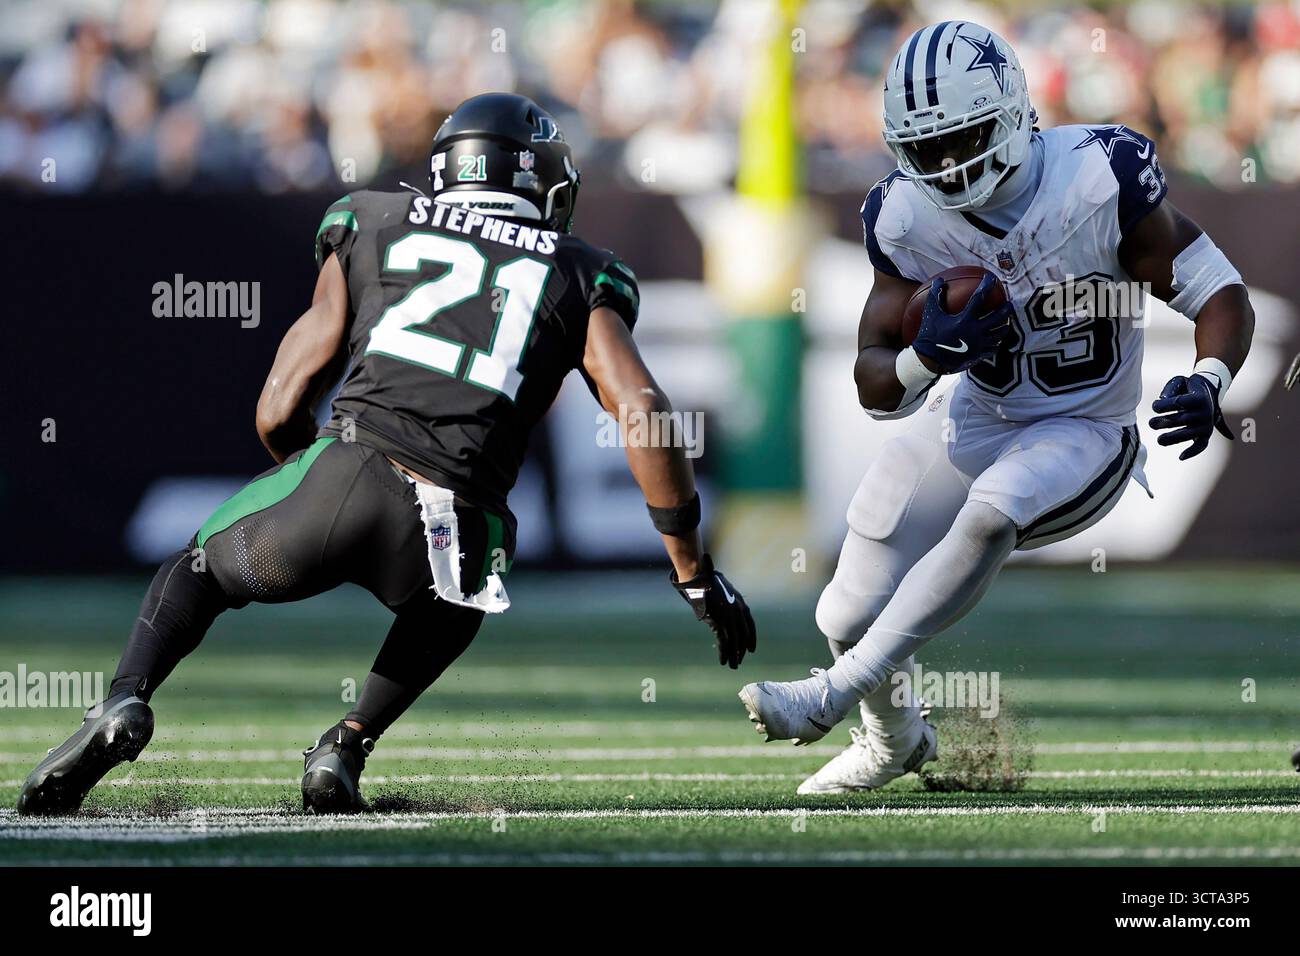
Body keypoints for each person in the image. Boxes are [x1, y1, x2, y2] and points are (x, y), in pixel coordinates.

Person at [20, 93, 755, 816]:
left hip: (345, 472)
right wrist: (693, 574)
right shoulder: (577, 269)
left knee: (200, 569)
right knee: (471, 582)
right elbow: (643, 409)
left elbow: (281, 401)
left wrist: (309, 485)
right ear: (534, 181)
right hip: (454, 524)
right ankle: (348, 741)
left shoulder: (372, 220)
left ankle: (125, 700)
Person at [739, 22, 1253, 794]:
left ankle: (829, 696)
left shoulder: (1099, 177)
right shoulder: (906, 218)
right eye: (929, 147)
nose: (946, 166)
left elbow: (1218, 288)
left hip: (1085, 428)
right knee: (844, 611)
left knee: (993, 510)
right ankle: (895, 741)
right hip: (976, 418)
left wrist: (1210, 377)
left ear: (1013, 112)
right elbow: (872, 381)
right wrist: (925, 356)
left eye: (963, 138)